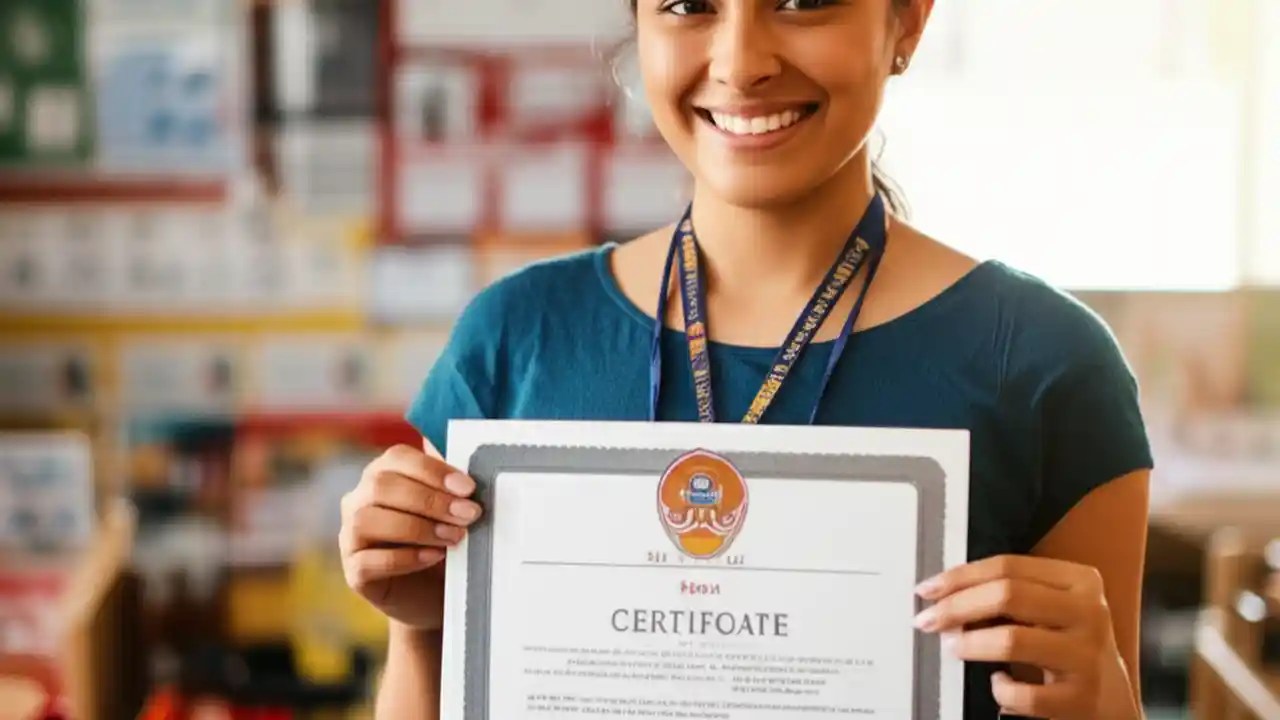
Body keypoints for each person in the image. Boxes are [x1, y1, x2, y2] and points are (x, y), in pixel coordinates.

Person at [338, 0, 1154, 717]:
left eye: (804, 0)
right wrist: (423, 628)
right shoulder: (515, 340)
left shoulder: (1051, 364)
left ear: (907, 21)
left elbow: (1095, 697)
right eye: (690, 4)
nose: (741, 62)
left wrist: (1106, 704)